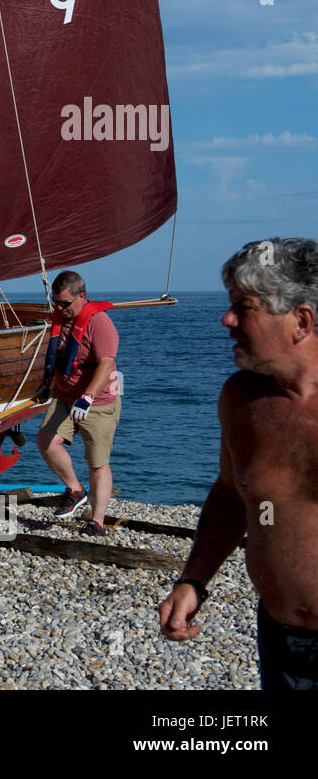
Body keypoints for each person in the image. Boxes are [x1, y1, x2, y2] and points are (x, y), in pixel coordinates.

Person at [159, 238, 318, 690]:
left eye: (243, 307)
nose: (227, 319)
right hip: (282, 642)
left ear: (301, 320)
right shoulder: (243, 400)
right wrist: (194, 581)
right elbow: (231, 496)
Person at [35, 270, 122, 534]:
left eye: (64, 303)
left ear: (81, 297)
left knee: (97, 462)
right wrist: (47, 385)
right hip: (63, 395)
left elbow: (106, 364)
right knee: (46, 441)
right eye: (55, 303)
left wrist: (87, 397)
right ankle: (75, 489)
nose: (59, 308)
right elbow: (59, 357)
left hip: (98, 402)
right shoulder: (61, 318)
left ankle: (97, 521)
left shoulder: (100, 323)